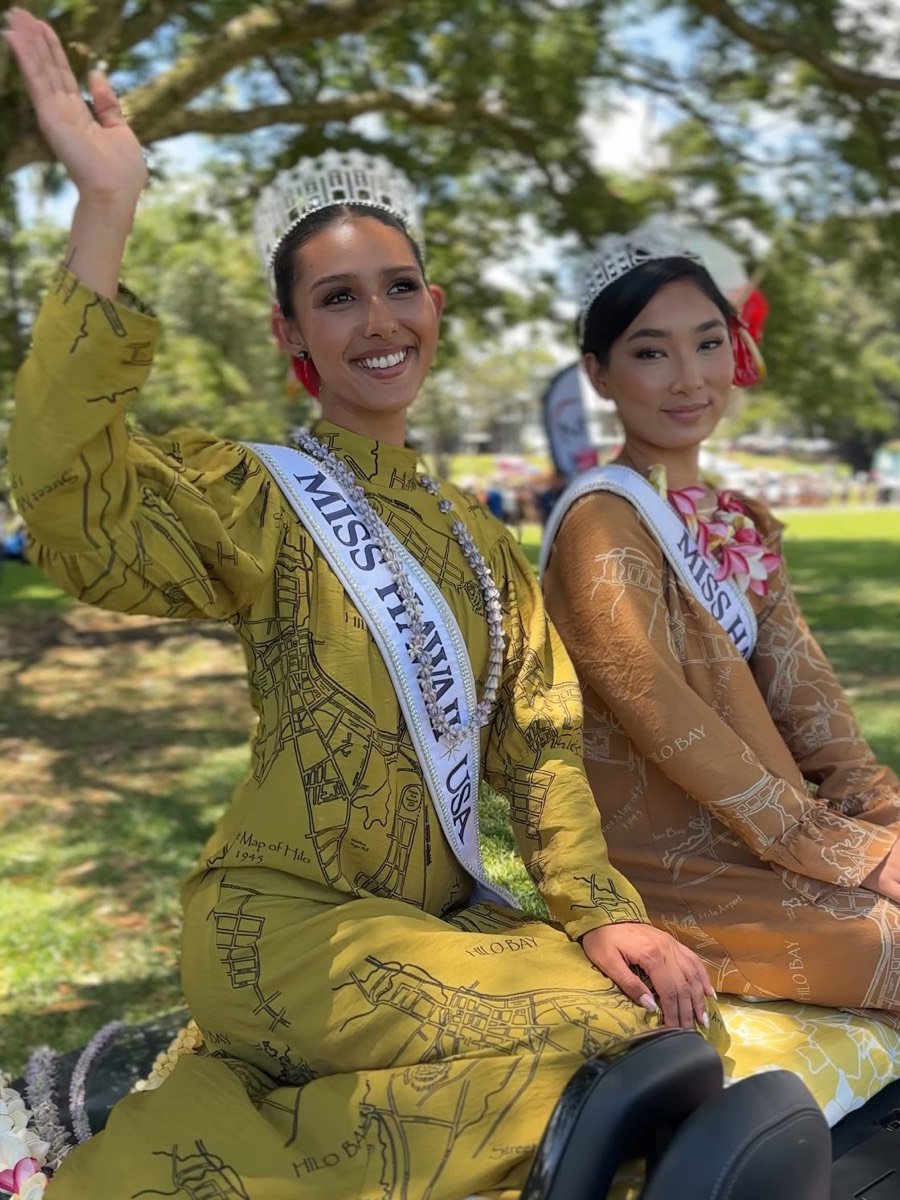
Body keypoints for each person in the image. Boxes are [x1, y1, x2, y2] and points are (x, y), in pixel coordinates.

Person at [4, 13, 724, 1198]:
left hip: (427, 935)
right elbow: (73, 502)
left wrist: (599, 910)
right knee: (604, 1030)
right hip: (281, 929)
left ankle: (172, 1116)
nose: (378, 320)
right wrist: (106, 206)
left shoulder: (486, 544)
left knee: (650, 1010)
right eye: (338, 299)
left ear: (434, 306)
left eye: (398, 288)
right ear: (293, 334)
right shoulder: (260, 500)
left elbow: (542, 752)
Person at [541, 229, 900, 1027]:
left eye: (708, 343)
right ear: (599, 374)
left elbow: (813, 702)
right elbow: (662, 716)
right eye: (650, 352)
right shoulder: (603, 524)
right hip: (670, 867)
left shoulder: (735, 526)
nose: (690, 377)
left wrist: (883, 820)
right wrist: (848, 851)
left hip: (776, 841)